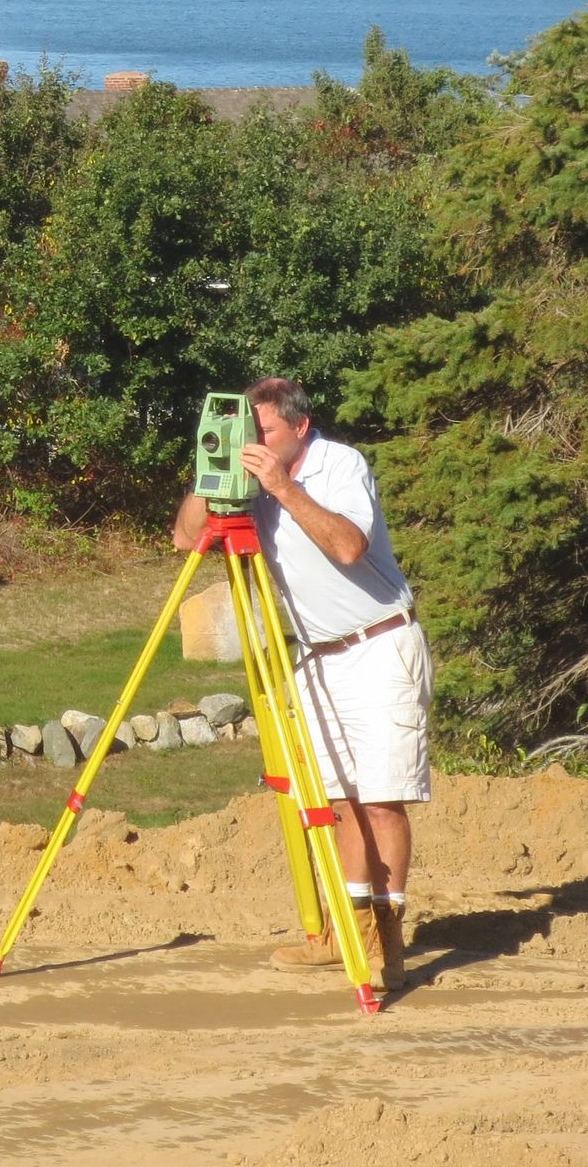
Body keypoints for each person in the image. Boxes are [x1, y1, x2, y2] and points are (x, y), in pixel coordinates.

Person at [170, 376, 429, 990]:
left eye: (263, 433)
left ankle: (384, 941)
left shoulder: (339, 465)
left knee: (381, 797)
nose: (252, 443)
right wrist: (213, 472)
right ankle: (345, 930)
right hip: (318, 656)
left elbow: (346, 546)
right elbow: (185, 538)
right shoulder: (247, 483)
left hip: (378, 641)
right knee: (338, 802)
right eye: (245, 432)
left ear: (299, 429)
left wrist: (281, 487)